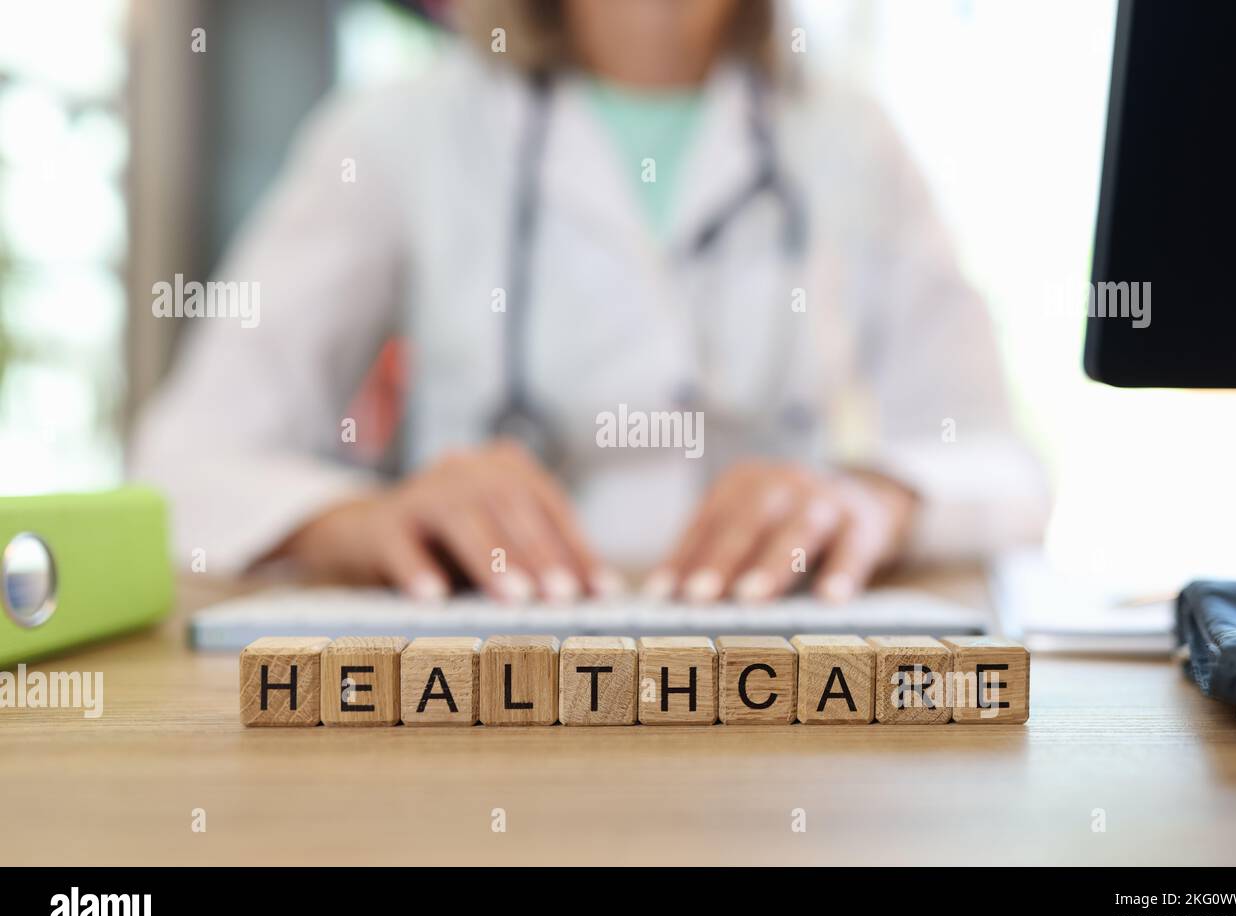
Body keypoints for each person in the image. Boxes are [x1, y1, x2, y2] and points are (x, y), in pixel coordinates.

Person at [131, 0, 1048, 605]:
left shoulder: (853, 137)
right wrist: (363, 521)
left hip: (776, 690)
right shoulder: (396, 129)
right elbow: (183, 465)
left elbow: (1005, 465)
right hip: (486, 683)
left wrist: (875, 498)